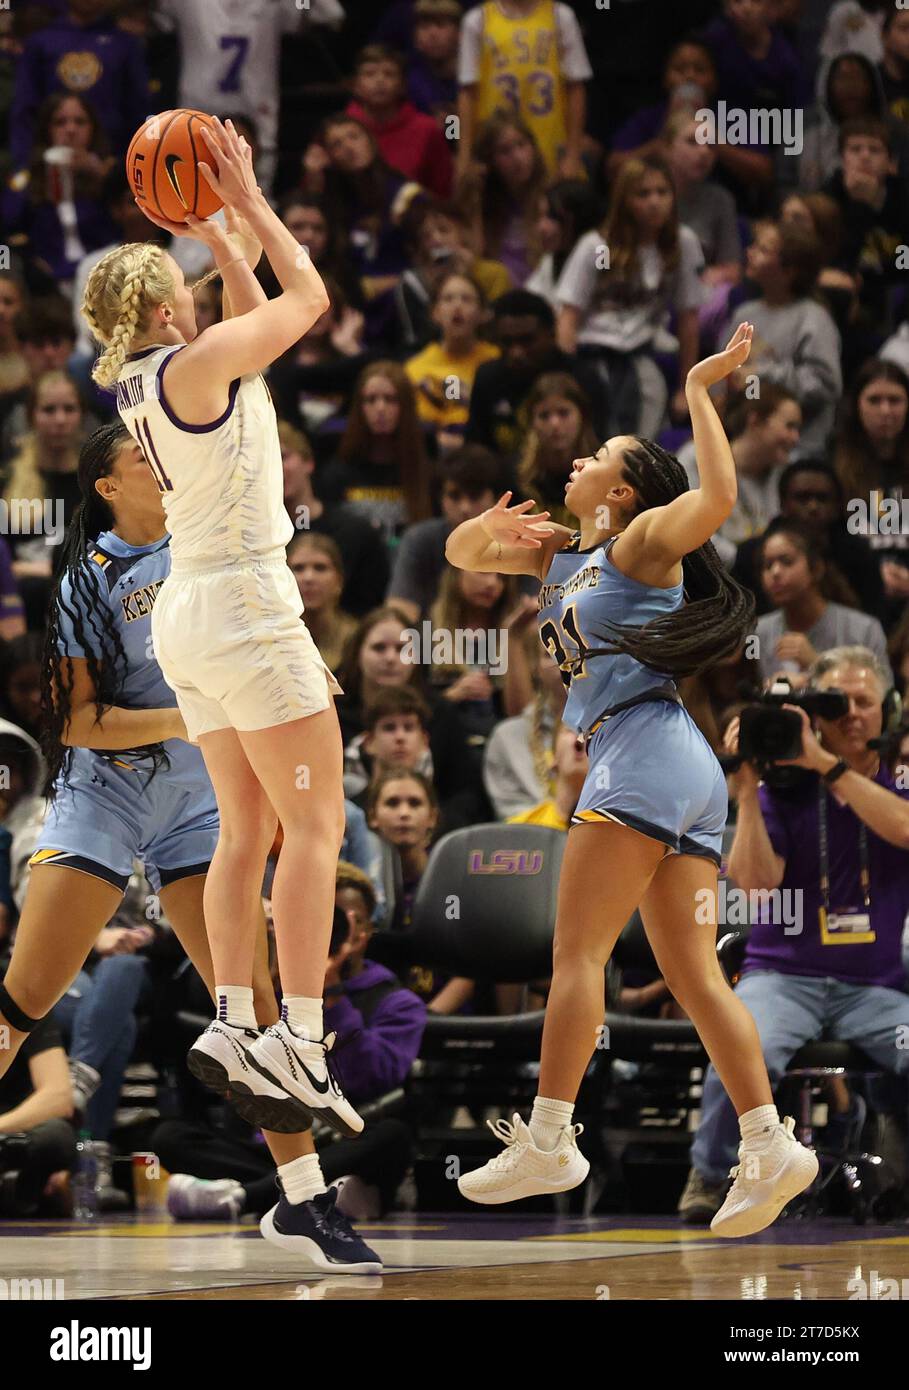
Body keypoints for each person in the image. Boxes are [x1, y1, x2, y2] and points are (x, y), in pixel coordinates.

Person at [73, 119, 380, 1258]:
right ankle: (300, 1035)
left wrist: (220, 239)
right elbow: (311, 300)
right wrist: (247, 198)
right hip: (245, 603)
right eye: (185, 286)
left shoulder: (156, 377)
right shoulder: (195, 364)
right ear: (166, 309)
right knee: (317, 826)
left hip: (195, 615)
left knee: (246, 831)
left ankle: (240, 1023)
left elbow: (256, 310)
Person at [446, 322, 820, 1236]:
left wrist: (697, 390)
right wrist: (482, 530)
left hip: (644, 752)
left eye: (597, 456)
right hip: (672, 763)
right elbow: (461, 556)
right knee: (692, 974)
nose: (575, 459)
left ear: (620, 490)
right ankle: (768, 1141)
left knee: (577, 956)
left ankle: (549, 1136)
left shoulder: (640, 544)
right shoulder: (559, 554)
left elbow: (717, 495)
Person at [0, 422, 377, 1265]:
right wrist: (197, 714)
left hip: (197, 803)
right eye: (142, 455)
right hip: (103, 795)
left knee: (256, 1009)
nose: (162, 459)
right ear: (107, 486)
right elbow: (74, 721)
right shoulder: (86, 579)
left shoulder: (206, 544)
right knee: (23, 1003)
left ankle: (305, 1202)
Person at [681, 646, 909, 1224]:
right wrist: (747, 790)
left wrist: (825, 764)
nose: (851, 714)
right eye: (837, 702)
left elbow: (904, 829)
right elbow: (757, 886)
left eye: (864, 702)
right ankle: (710, 1174)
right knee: (741, 1045)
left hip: (877, 987)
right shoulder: (781, 791)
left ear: (888, 709)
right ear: (812, 713)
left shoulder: (900, 783)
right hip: (784, 977)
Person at [162, 865, 423, 1227]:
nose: (325, 931)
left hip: (343, 1138)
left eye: (341, 922)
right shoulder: (266, 992)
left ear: (365, 931)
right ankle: (329, 1194)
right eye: (316, 918)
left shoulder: (397, 1001)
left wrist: (330, 992)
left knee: (393, 1137)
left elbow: (372, 1079)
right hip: (275, 1143)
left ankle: (243, 1196)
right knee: (171, 1136)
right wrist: (271, 973)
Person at [556, 154, 704, 437]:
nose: (654, 202)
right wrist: (567, 377)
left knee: (640, 445)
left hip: (642, 357)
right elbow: (568, 317)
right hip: (592, 356)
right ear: (624, 200)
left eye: (662, 192)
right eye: (643, 194)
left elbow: (688, 318)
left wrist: (687, 388)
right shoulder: (596, 246)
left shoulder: (681, 243)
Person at [719, 218, 842, 455]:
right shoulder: (744, 314)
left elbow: (825, 385)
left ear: (788, 271)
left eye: (763, 250)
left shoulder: (813, 318)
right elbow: (721, 373)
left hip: (798, 447)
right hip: (743, 439)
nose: (750, 252)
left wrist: (761, 374)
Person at [732, 458, 886, 621]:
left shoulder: (858, 554)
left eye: (822, 498)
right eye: (802, 498)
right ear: (783, 504)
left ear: (837, 506)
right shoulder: (751, 554)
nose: (813, 506)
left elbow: (876, 615)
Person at [456, 0, 592, 180]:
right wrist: (465, 157)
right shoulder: (477, 20)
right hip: (496, 147)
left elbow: (575, 88)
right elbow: (467, 93)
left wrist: (573, 155)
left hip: (549, 143)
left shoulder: (561, 16)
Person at [752, 518, 892, 687]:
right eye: (767, 565)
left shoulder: (863, 630)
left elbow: (883, 694)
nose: (775, 572)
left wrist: (817, 664)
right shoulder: (759, 632)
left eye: (786, 561)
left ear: (816, 568)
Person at [466, 289, 604, 454]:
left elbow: (602, 449)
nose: (516, 353)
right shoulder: (488, 378)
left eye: (527, 340)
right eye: (507, 342)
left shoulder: (582, 379)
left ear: (551, 334)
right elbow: (476, 448)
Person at [678, 384, 802, 565]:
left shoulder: (783, 473)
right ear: (755, 421)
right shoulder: (699, 457)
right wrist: (744, 561)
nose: (795, 438)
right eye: (789, 426)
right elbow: (690, 530)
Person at [278, 420, 389, 617]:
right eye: (265, 462)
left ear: (308, 462)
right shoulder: (252, 538)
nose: (275, 468)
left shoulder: (356, 532)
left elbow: (373, 611)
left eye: (283, 457)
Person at [387, 443, 507, 622]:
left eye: (475, 496)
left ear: (497, 499)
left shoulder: (517, 542)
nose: (465, 507)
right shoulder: (419, 540)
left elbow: (533, 611)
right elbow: (398, 616)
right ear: (440, 499)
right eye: (454, 496)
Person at [320, 360, 432, 544]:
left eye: (391, 399)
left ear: (406, 406)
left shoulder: (426, 473)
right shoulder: (336, 473)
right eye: (370, 400)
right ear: (359, 408)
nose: (380, 408)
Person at [833, 358, 909, 619]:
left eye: (895, 400)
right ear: (856, 405)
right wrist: (872, 575)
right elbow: (827, 542)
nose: (885, 410)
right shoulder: (833, 466)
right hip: (854, 598)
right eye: (874, 400)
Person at [404, 271, 499, 453]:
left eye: (466, 299)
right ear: (435, 313)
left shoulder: (496, 360)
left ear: (483, 313)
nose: (457, 306)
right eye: (448, 299)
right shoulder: (415, 368)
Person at [345, 43, 454, 198]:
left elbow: (442, 191)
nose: (380, 81)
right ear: (356, 86)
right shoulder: (340, 131)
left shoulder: (427, 129)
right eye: (369, 74)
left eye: (389, 74)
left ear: (402, 86)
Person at [459, 111, 549, 286]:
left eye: (522, 145)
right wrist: (475, 197)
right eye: (505, 151)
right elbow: (476, 256)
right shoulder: (482, 202)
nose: (518, 158)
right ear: (489, 161)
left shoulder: (550, 197)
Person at [515, 371, 600, 529]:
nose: (554, 424)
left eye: (563, 413)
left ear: (582, 416)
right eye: (544, 415)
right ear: (531, 422)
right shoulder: (515, 475)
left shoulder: (603, 471)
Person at [285, 531, 357, 674]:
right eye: (298, 568)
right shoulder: (270, 639)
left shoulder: (357, 640)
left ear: (339, 581)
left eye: (320, 568)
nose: (309, 578)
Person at [525, 179, 602, 311]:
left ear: (578, 218)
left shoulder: (598, 247)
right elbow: (528, 301)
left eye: (552, 217)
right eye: (540, 217)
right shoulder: (552, 257)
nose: (541, 227)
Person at [507, 723, 588, 830]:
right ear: (553, 756)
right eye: (571, 729)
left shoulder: (608, 828)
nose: (580, 736)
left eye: (593, 733)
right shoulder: (519, 829)